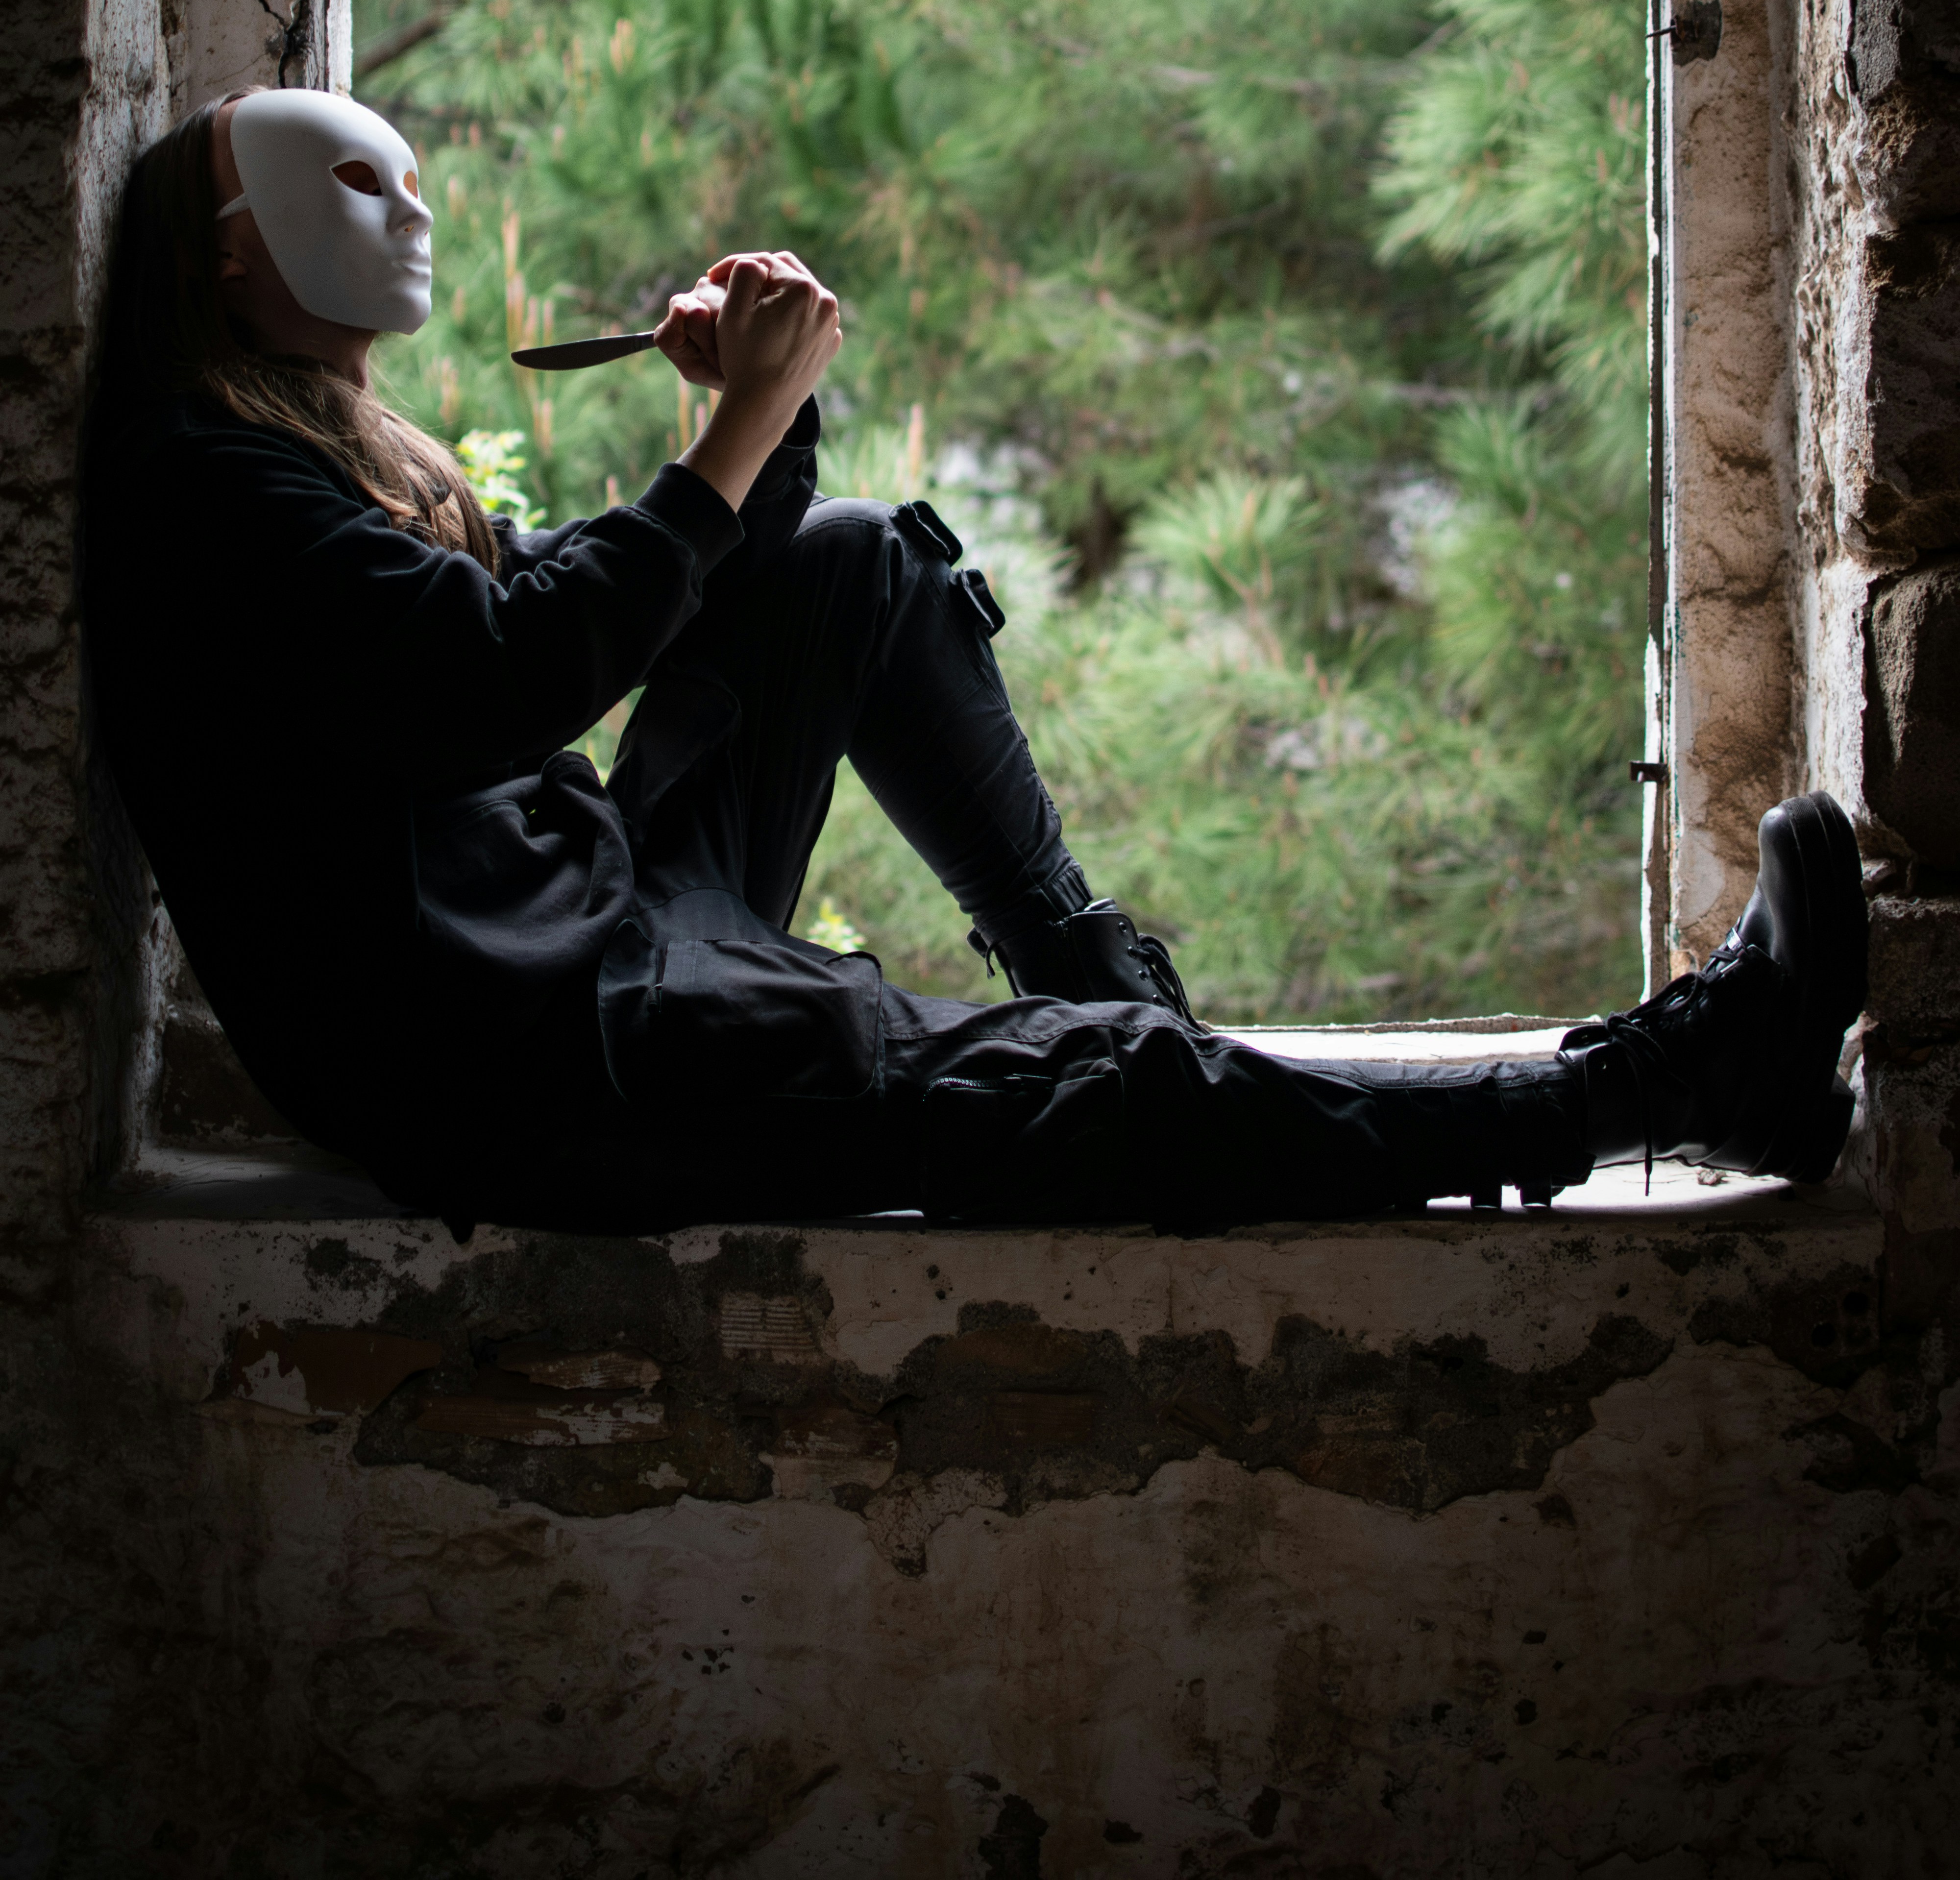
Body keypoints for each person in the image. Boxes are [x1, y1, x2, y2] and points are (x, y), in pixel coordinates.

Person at [84, 85, 1868, 1238]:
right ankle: (1673, 1081)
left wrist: (744, 429)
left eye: (408, 176)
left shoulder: (310, 449)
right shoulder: (207, 484)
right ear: (230, 249)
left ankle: (1093, 979)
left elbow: (579, 602)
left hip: (586, 931)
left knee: (861, 559)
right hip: (541, 1070)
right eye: (351, 182)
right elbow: (502, 676)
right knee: (1119, 1110)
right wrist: (741, 425)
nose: (408, 211)